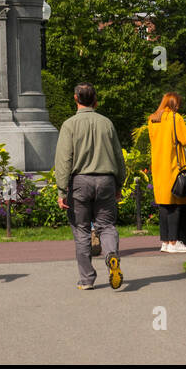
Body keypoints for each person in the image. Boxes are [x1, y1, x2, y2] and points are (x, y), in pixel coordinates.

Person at [54, 83, 125, 290]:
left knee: (82, 230)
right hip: (105, 180)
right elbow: (119, 157)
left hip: (80, 182)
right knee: (107, 226)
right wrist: (119, 183)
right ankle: (111, 255)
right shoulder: (107, 123)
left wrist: (61, 190)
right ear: (95, 99)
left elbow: (64, 159)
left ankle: (86, 279)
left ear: (75, 98)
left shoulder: (69, 125)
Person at [148, 92, 186, 253]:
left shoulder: (153, 119)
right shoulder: (176, 118)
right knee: (175, 205)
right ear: (175, 104)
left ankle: (165, 241)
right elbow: (185, 139)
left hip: (158, 166)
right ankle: (174, 243)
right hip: (173, 166)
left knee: (163, 205)